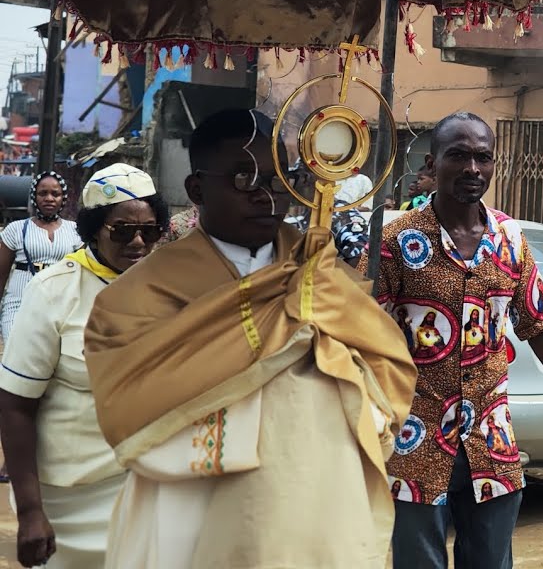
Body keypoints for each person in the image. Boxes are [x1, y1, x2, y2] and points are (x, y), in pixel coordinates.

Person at [83, 109, 417, 569]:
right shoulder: (137, 296)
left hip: (320, 503)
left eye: (280, 178)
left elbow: (389, 368)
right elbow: (128, 404)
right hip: (194, 507)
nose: (267, 196)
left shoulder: (322, 276)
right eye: (244, 178)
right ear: (197, 189)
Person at [363, 111, 543, 569]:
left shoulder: (510, 239)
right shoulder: (396, 240)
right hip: (416, 435)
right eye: (458, 155)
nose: (472, 168)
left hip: (491, 439)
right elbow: (362, 335)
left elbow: (538, 324)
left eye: (483, 157)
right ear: (432, 163)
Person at [0, 164, 167, 569]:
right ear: (94, 228)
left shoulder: (170, 288)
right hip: (69, 502)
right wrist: (30, 512)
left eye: (150, 229)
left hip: (150, 490)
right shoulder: (56, 291)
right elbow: (16, 406)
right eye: (123, 230)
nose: (139, 241)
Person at [0, 171, 80, 342]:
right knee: (16, 352)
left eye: (55, 194)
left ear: (63, 198)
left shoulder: (74, 230)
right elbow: (2, 273)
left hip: (60, 306)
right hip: (19, 302)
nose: (49, 198)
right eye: (42, 193)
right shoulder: (16, 229)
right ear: (34, 197)